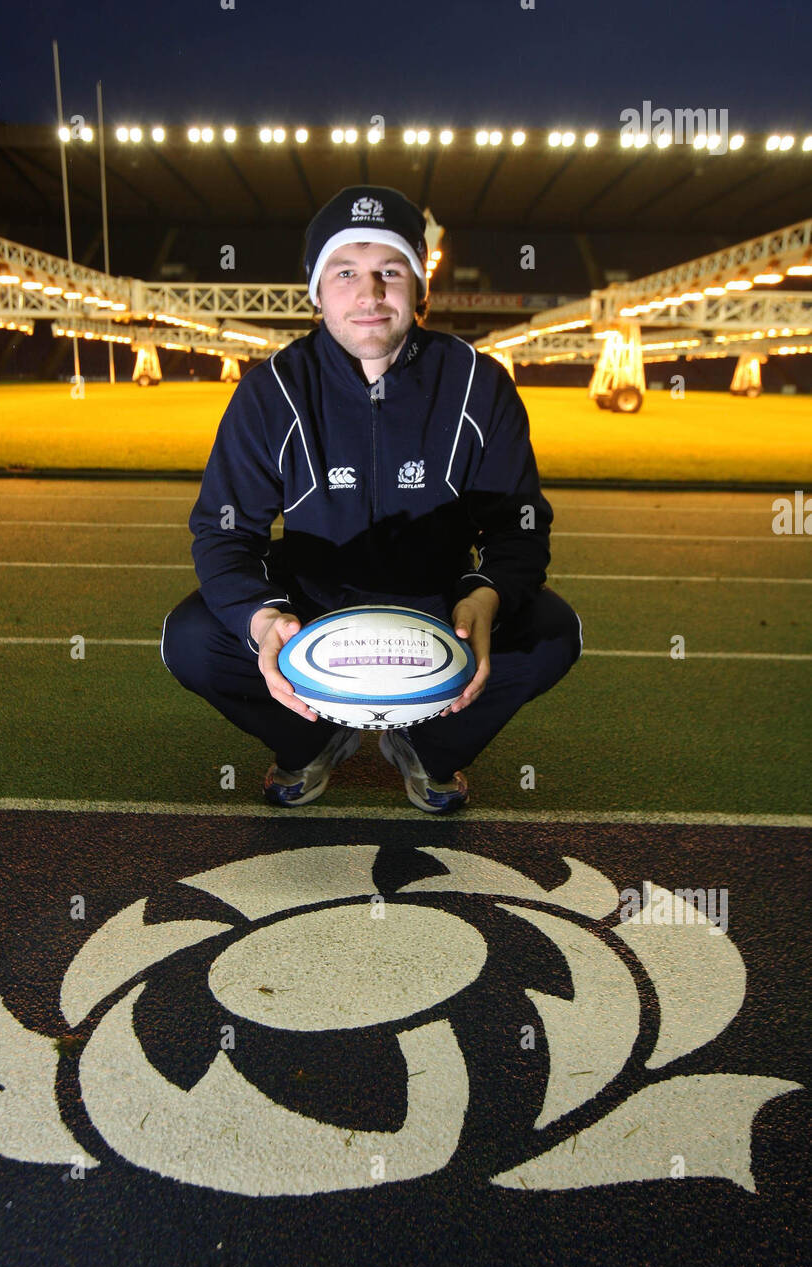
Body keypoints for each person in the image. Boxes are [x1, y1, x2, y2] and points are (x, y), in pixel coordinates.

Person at [161, 185, 581, 812]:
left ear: (419, 286)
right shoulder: (270, 391)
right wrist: (263, 619)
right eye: (346, 272)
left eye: (390, 271)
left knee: (554, 631)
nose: (369, 294)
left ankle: (429, 749)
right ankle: (311, 738)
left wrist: (487, 597)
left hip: (438, 608)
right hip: (311, 608)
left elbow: (518, 529)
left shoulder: (480, 384)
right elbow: (225, 532)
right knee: (190, 638)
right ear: (317, 291)